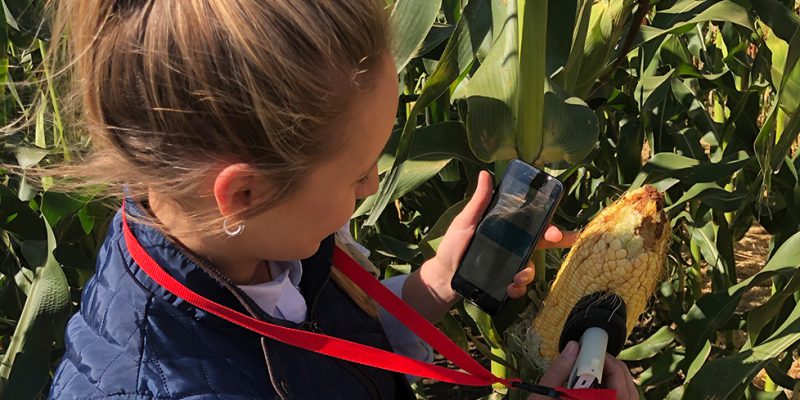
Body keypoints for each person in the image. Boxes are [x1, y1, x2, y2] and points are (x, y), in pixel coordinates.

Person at [45, 1, 637, 399]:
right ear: (243, 193)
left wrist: (435, 284)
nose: (373, 187)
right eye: (357, 174)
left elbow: (332, 344)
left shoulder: (259, 239)